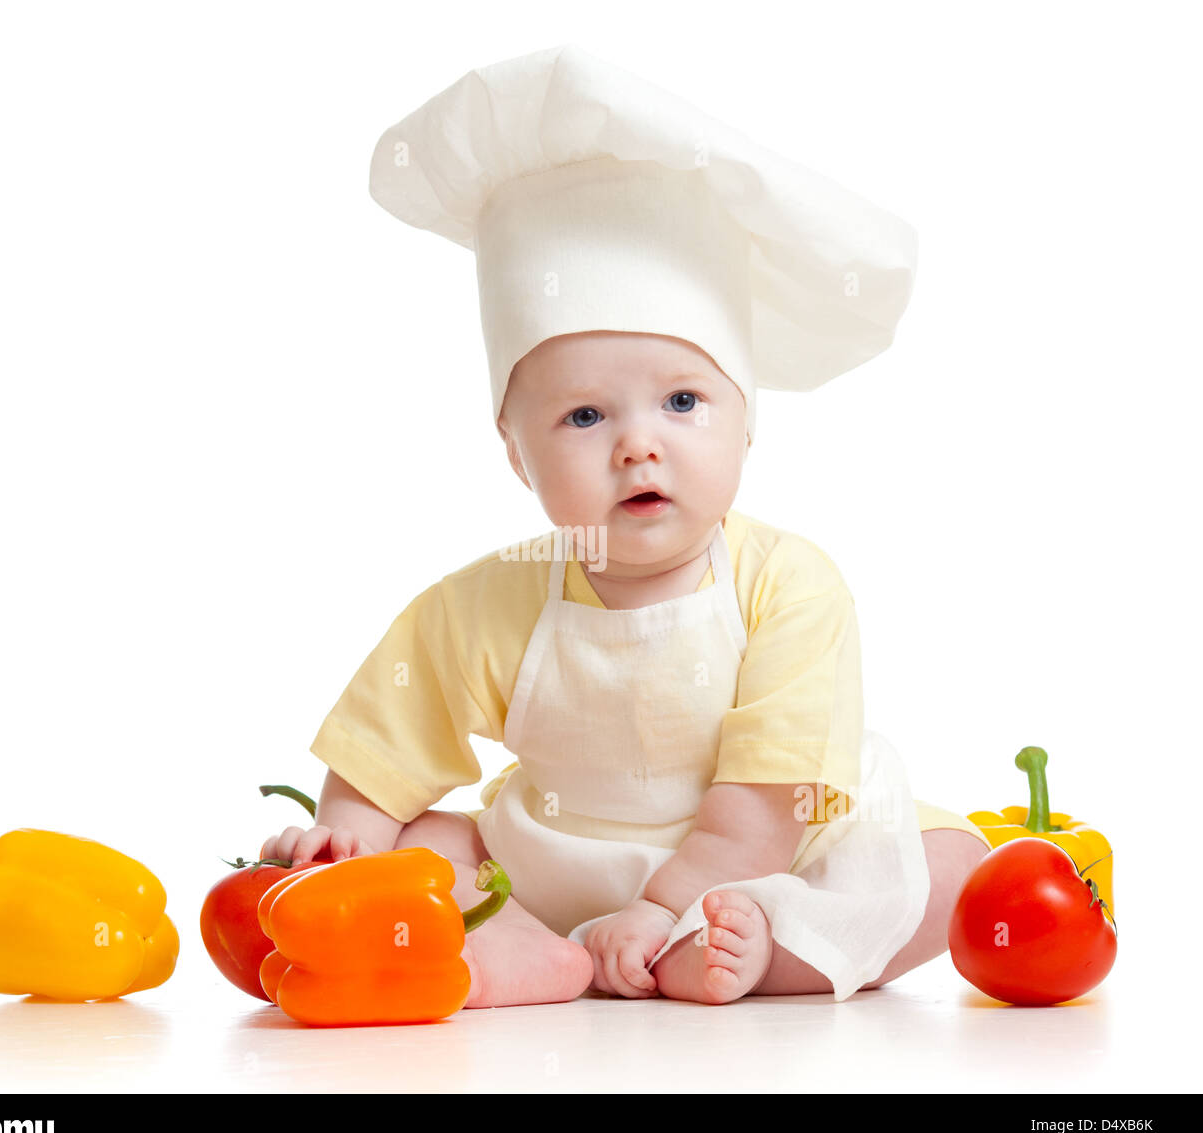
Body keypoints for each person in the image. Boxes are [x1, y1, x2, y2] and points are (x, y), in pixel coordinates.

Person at [261, 45, 991, 1007]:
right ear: (517, 455)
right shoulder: (493, 600)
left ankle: (760, 951)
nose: (638, 447)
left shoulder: (790, 586)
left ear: (745, 419)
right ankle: (526, 949)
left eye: (684, 402)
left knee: (952, 864)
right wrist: (344, 832)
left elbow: (767, 803)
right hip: (559, 863)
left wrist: (668, 902)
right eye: (584, 417)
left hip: (753, 865)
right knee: (427, 837)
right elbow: (384, 745)